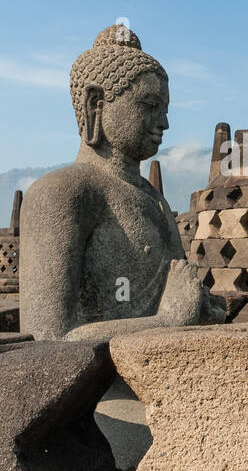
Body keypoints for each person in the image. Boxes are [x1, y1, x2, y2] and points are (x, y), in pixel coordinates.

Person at [20, 24, 215, 341]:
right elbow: (47, 341)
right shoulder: (61, 194)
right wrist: (168, 320)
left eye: (165, 110)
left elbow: (180, 300)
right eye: (149, 105)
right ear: (95, 103)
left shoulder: (155, 200)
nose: (164, 123)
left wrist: (201, 309)